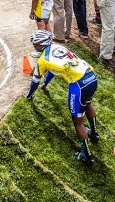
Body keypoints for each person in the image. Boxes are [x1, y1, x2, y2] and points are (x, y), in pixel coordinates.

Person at [26, 30, 99, 164]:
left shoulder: (42, 61)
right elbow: (54, 70)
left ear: (38, 46)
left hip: (78, 84)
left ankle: (87, 156)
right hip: (91, 74)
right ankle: (94, 133)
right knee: (88, 103)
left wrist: (29, 96)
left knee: (78, 122)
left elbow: (34, 81)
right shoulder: (58, 47)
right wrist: (46, 84)